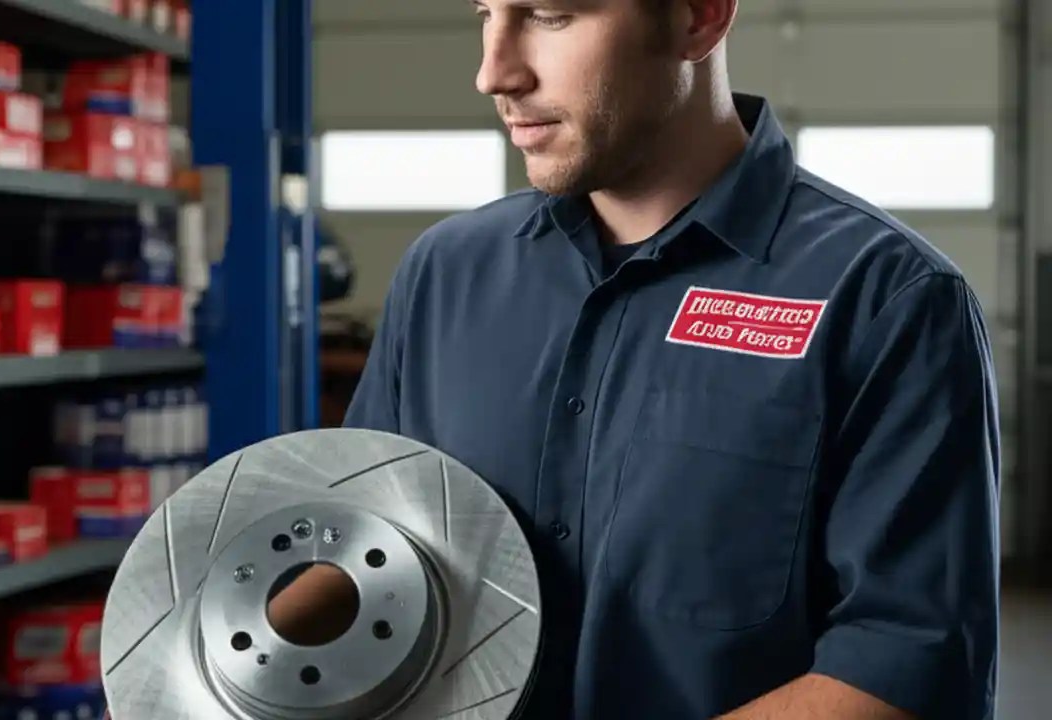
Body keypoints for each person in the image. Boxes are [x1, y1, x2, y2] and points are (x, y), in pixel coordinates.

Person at [343, 0, 1002, 718]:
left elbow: (909, 661)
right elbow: (368, 544)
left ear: (700, 18)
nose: (493, 72)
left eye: (550, 15)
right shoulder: (444, 275)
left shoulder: (887, 299)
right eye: (487, 13)